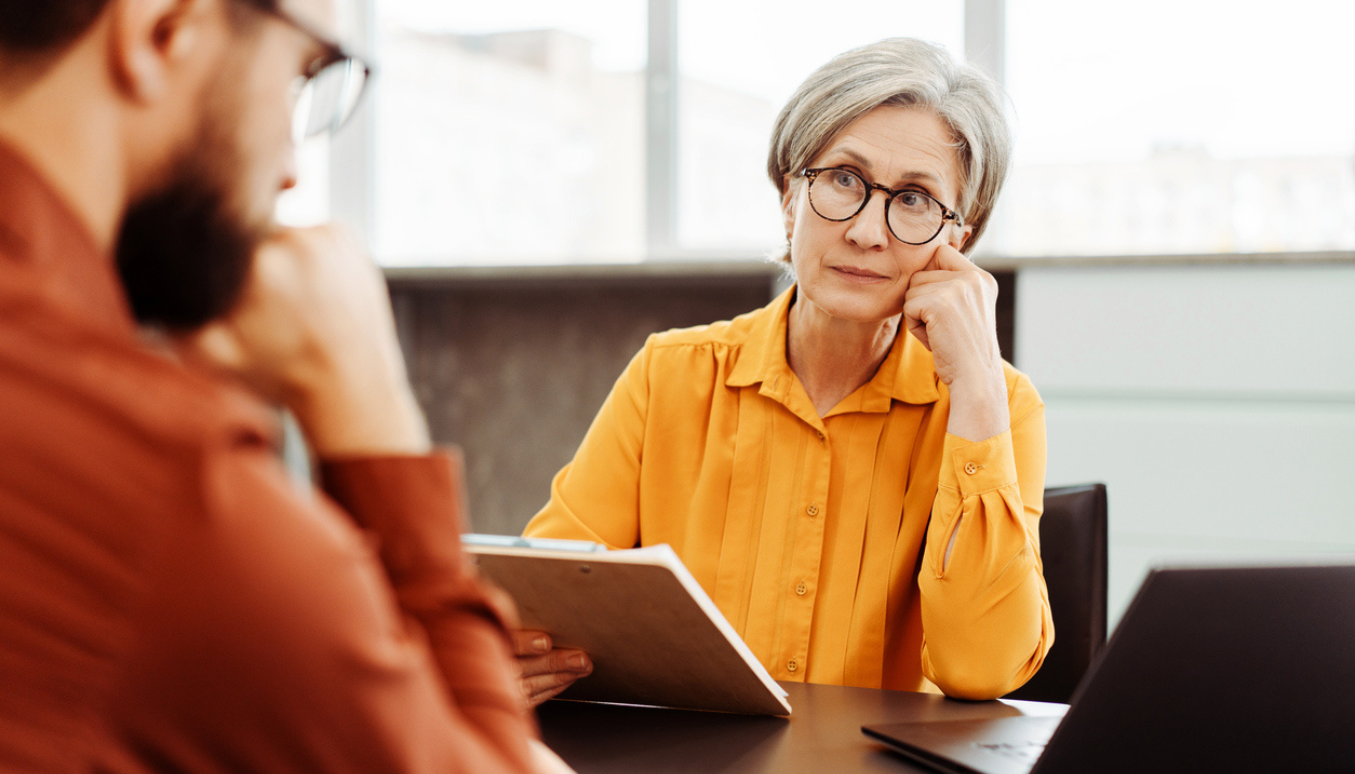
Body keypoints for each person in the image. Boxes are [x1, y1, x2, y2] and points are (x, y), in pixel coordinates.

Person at [0, 1, 566, 771]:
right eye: (303, 74)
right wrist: (370, 414)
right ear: (164, 30)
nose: (293, 169)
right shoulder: (160, 484)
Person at [520, 38, 1052, 703]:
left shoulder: (1000, 405)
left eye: (914, 199)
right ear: (788, 197)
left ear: (956, 242)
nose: (866, 232)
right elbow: (543, 609)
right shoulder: (669, 375)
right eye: (844, 179)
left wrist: (975, 388)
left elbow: (982, 669)